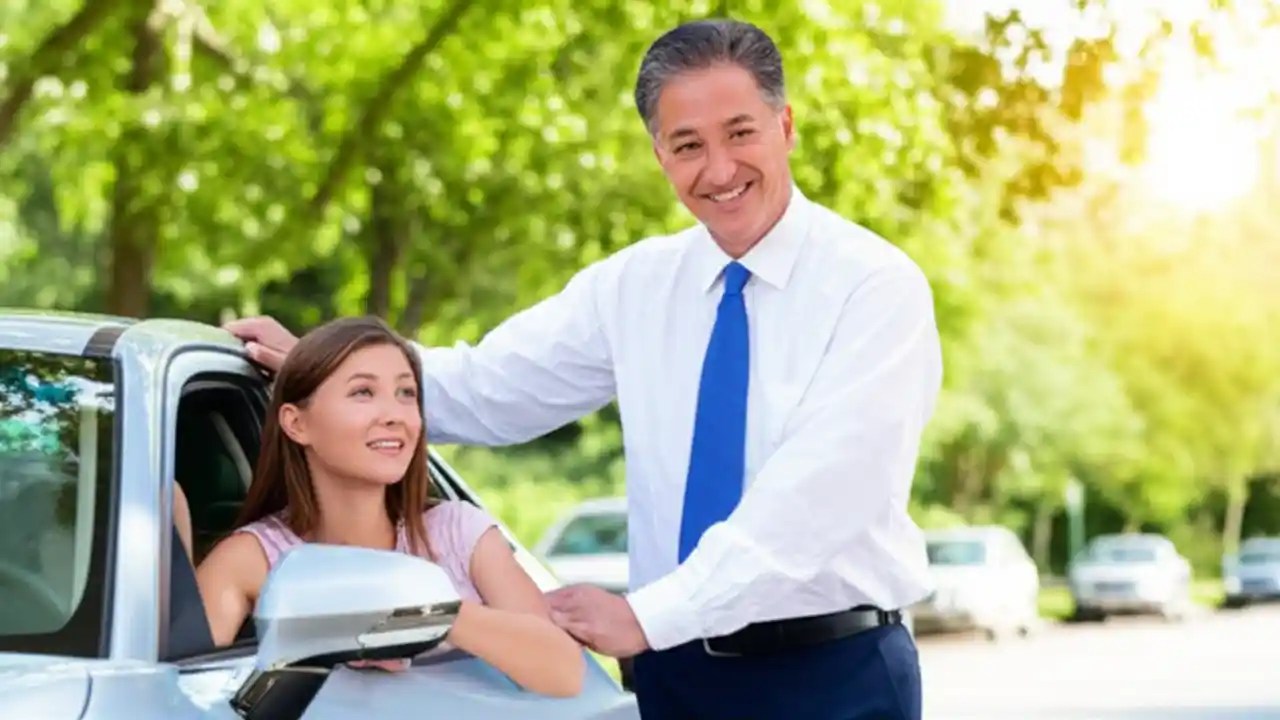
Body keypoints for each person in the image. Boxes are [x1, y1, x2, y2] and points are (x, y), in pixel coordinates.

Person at [225, 18, 942, 719]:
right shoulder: (634, 285)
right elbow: (489, 390)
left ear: (785, 126)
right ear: (660, 155)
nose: (718, 170)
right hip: (675, 677)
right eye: (687, 144)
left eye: (741, 133)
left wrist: (649, 616)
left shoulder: (874, 287)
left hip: (831, 675)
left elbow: (817, 503)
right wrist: (326, 369)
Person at [195, 316, 585, 698]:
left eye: (406, 394)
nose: (395, 416)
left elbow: (564, 673)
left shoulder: (458, 532)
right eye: (363, 392)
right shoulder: (254, 558)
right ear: (297, 424)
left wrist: (424, 615)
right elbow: (176, 693)